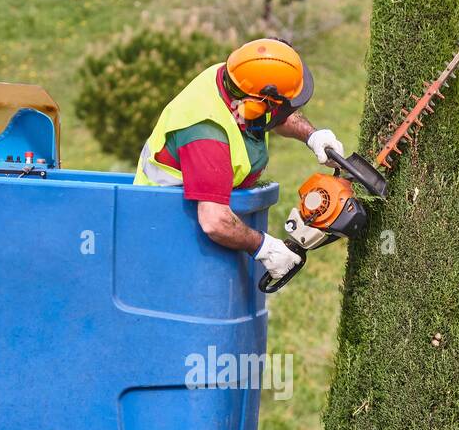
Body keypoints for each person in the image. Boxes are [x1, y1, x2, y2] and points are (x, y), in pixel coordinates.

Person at [133, 37, 345, 281]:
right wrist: (264, 247)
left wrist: (314, 136)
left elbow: (279, 114)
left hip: (200, 218)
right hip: (169, 228)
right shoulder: (206, 134)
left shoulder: (236, 81)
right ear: (257, 104)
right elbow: (214, 221)